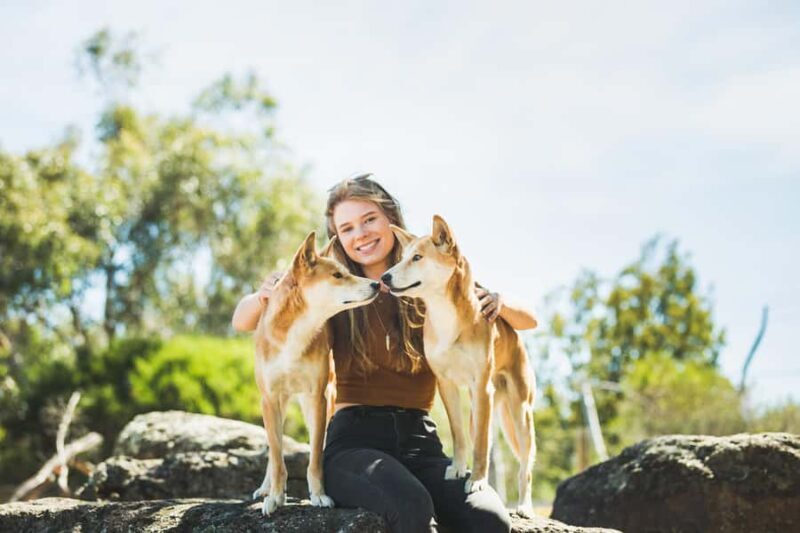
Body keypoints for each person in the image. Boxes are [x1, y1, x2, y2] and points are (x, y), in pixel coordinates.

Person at [232, 174, 537, 532]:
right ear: (338, 239)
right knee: (410, 507)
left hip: (420, 440)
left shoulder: (431, 273)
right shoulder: (334, 288)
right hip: (354, 442)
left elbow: (528, 320)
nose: (359, 234)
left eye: (369, 220)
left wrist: (499, 301)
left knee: (489, 521)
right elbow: (243, 320)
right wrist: (267, 294)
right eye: (346, 229)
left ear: (390, 218)